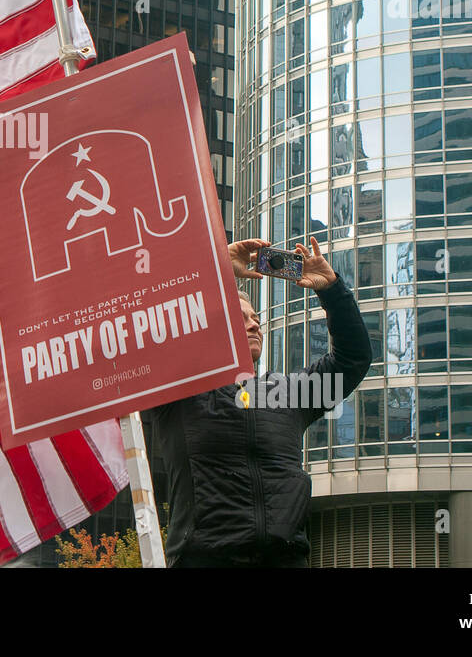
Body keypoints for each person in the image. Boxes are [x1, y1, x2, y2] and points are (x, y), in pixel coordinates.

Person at [150, 236, 372, 567]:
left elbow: (352, 359)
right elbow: (151, 326)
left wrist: (332, 291)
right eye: (241, 318)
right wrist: (216, 270)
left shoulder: (286, 393)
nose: (255, 323)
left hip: (285, 559)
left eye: (256, 318)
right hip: (204, 559)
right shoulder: (179, 392)